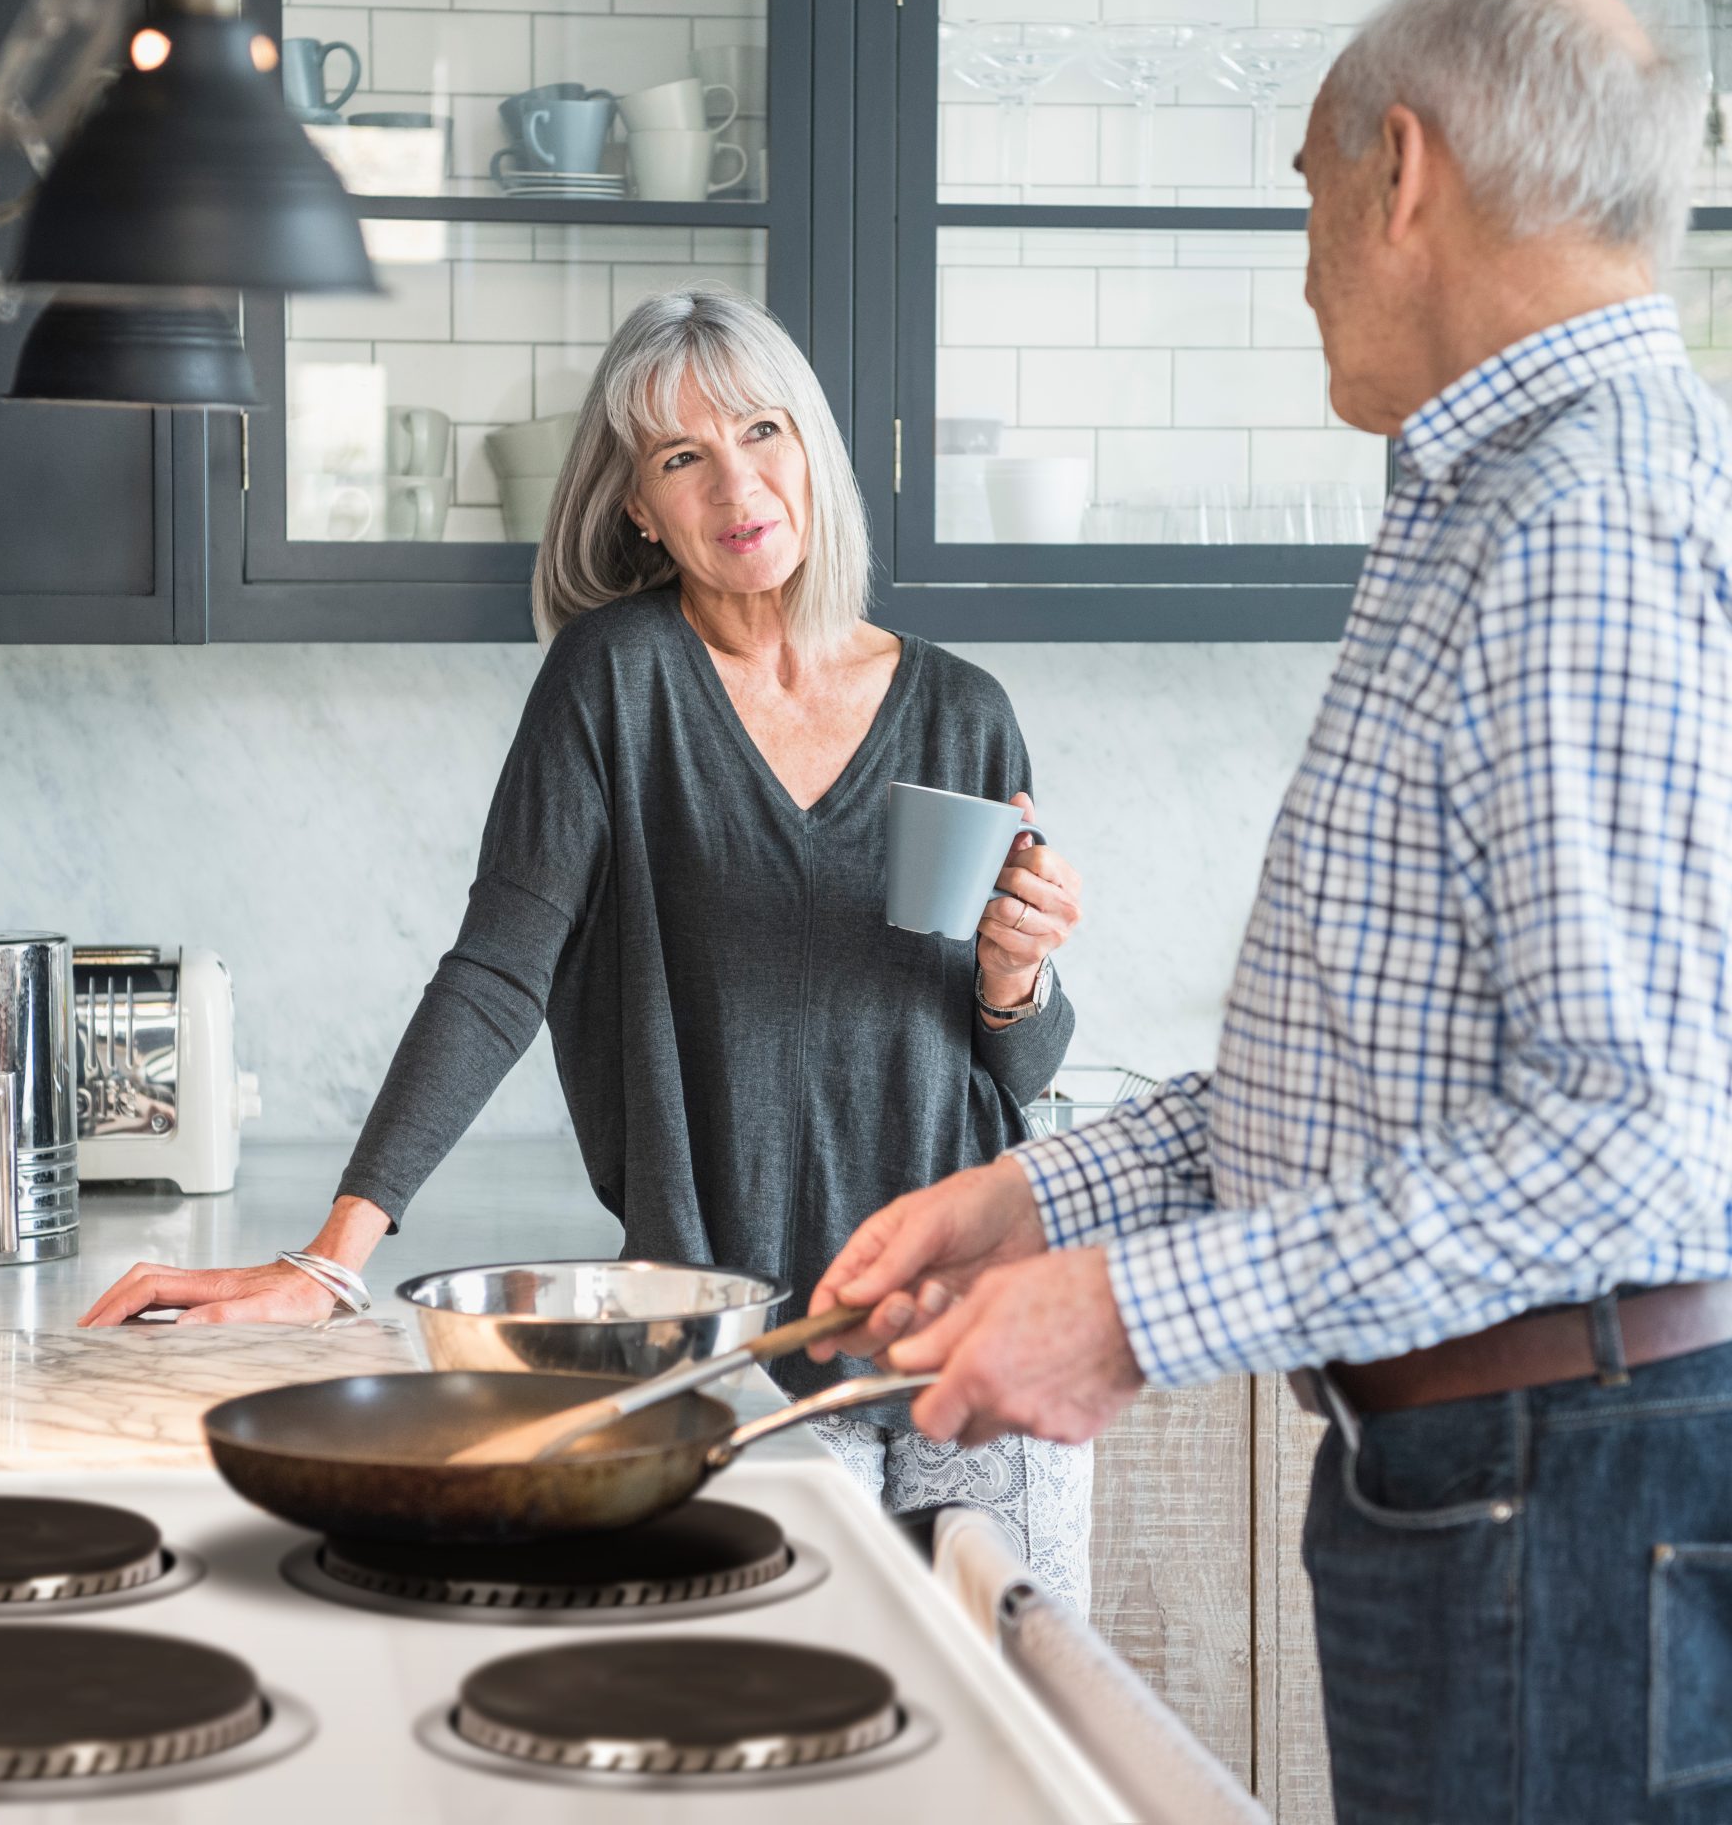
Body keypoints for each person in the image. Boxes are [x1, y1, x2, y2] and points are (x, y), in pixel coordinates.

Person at [808, 0, 1732, 1814]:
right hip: (1528, 1463)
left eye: (1304, 190)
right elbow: (1389, 1072)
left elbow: (1617, 1142)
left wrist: (1127, 1312)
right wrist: (1032, 1198)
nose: (1300, 262)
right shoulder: (1508, 498)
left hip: (1577, 1471)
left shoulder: (1591, 522)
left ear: (1402, 173)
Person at [82, 286, 1099, 1602]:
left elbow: (1015, 1071)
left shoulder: (965, 709)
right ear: (637, 506)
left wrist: (1020, 975)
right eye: (683, 457)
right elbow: (499, 971)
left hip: (979, 1331)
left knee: (1020, 1707)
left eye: (763, 432)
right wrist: (332, 1257)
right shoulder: (616, 683)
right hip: (744, 1355)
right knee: (782, 1711)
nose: (738, 485)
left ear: (813, 446)